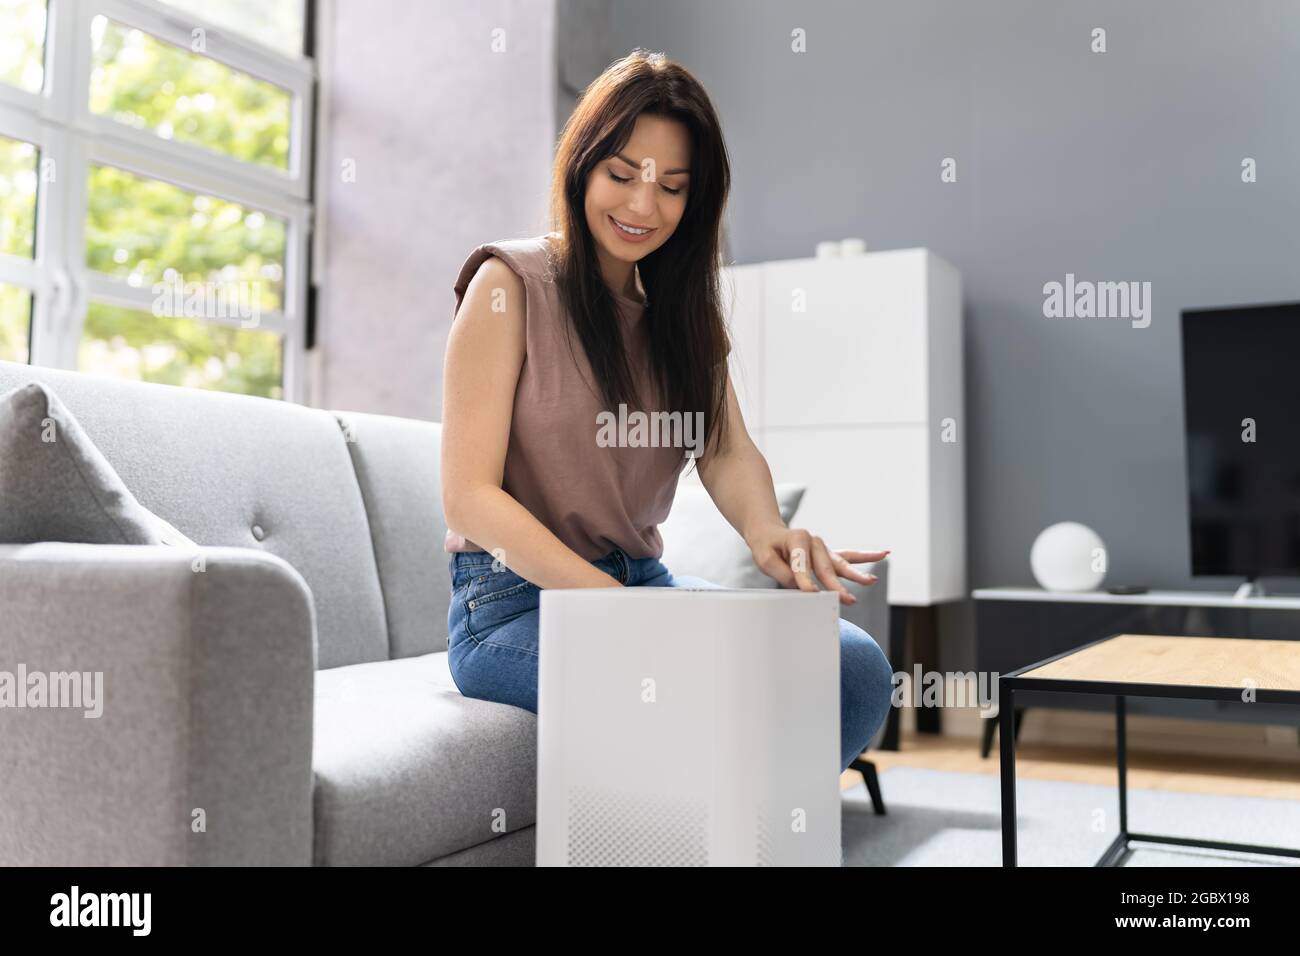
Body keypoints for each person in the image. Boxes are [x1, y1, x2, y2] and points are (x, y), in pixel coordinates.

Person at [441, 49, 893, 773]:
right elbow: (467, 495)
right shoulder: (509, 283)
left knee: (850, 669)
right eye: (621, 175)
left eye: (672, 187)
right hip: (515, 607)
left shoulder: (677, 315)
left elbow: (724, 448)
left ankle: (750, 839)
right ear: (582, 165)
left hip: (642, 585)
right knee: (690, 689)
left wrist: (766, 529)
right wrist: (623, 614)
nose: (643, 206)